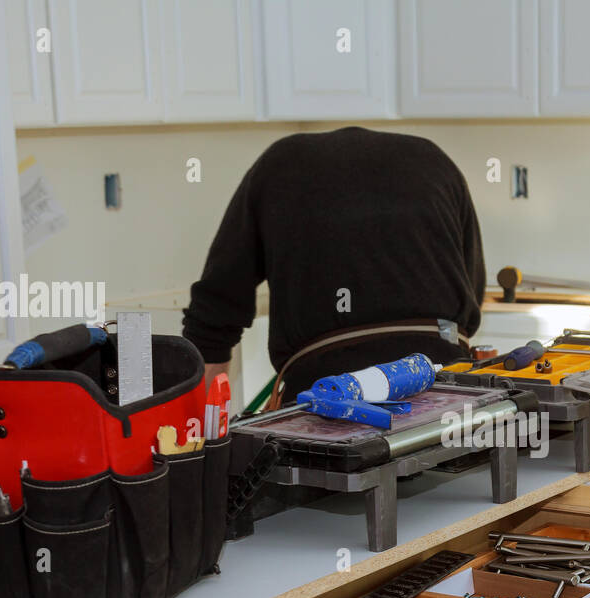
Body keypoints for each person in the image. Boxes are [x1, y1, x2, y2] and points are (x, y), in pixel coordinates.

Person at [182, 126, 485, 405]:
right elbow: (471, 293)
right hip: (443, 384)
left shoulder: (281, 165)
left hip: (323, 397)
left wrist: (201, 440)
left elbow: (215, 315)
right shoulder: (432, 160)